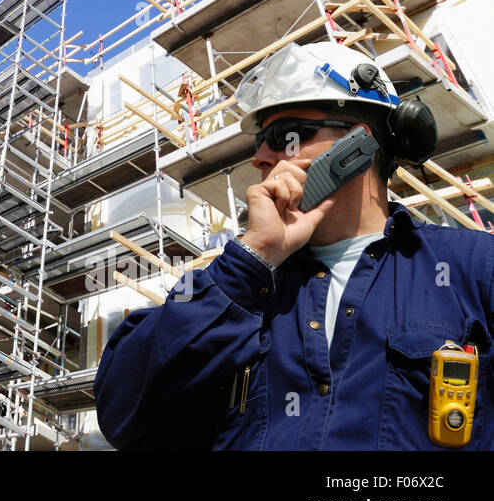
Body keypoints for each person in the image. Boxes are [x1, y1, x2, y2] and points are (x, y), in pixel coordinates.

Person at [94, 40, 494, 449]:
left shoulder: (475, 268)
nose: (261, 157)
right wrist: (253, 260)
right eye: (259, 141)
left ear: (357, 144)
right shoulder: (233, 287)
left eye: (285, 135)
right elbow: (122, 412)